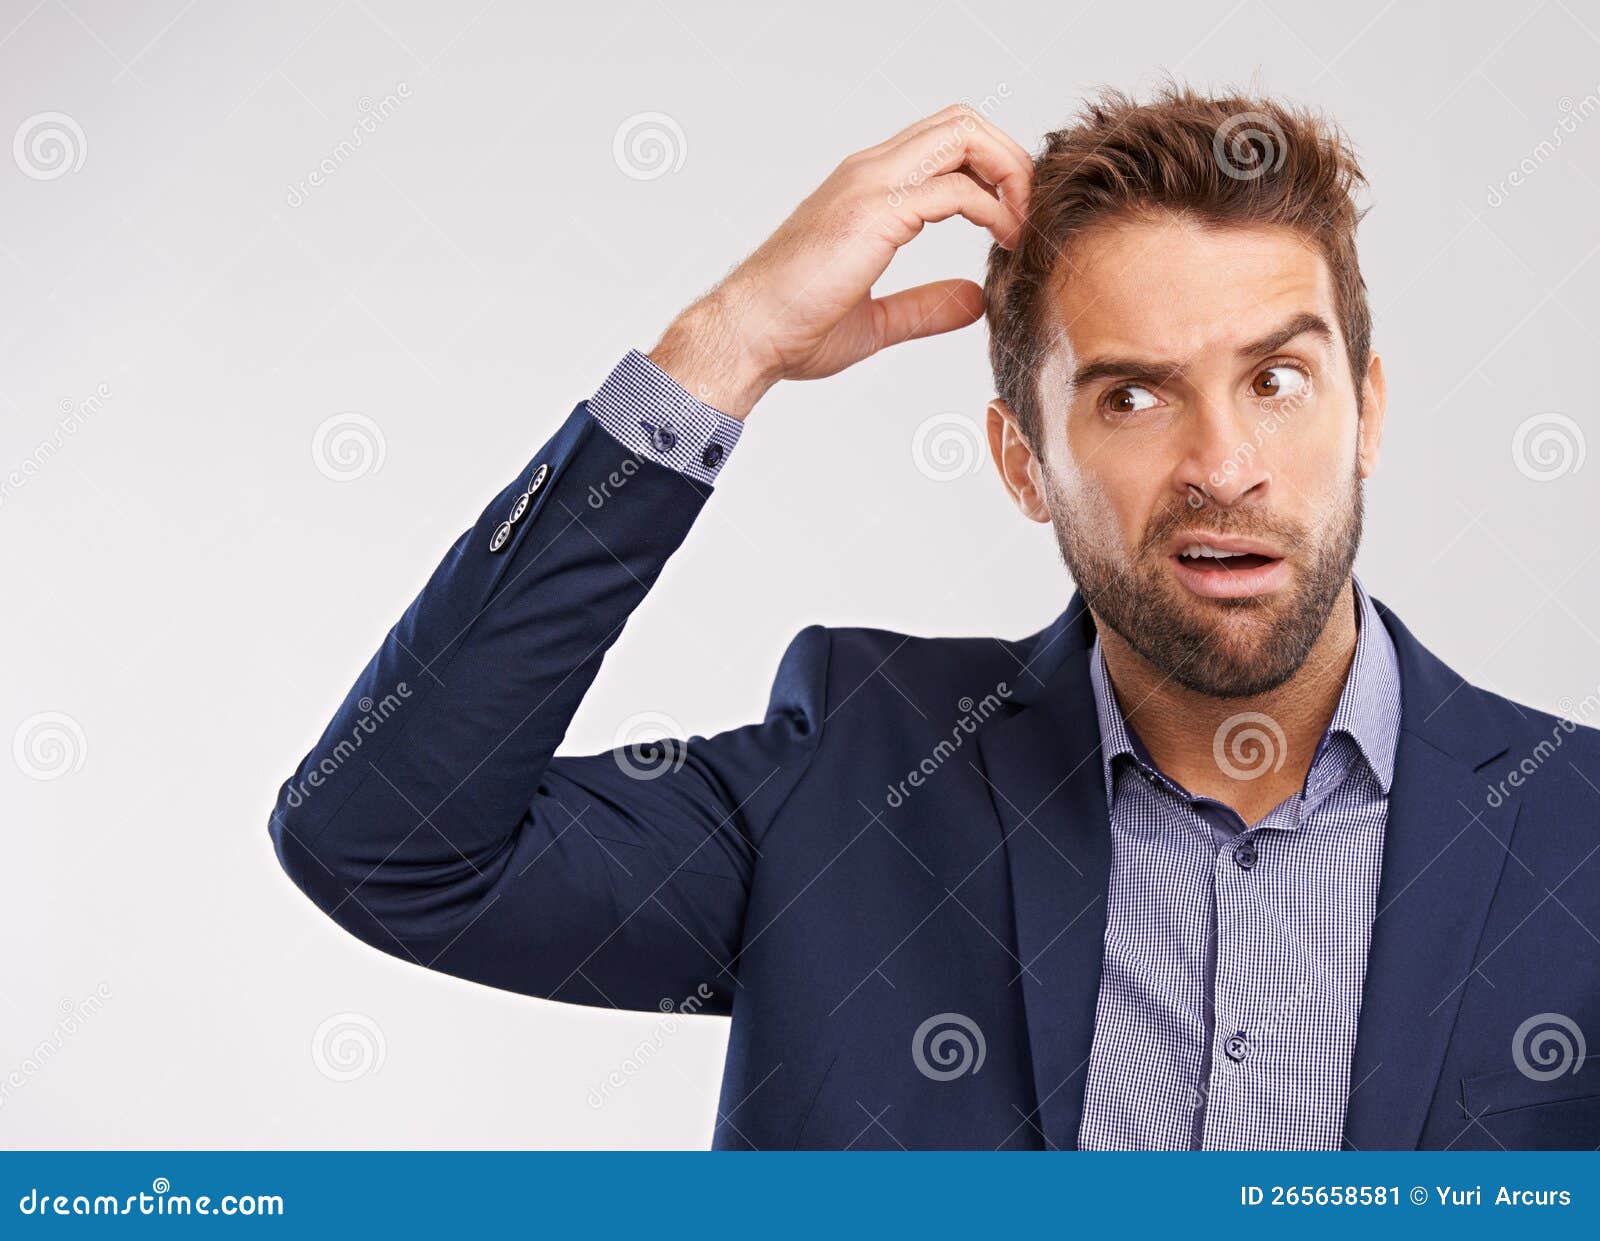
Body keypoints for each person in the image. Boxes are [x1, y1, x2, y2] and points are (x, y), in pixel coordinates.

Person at [269, 84, 1600, 1150]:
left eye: (1278, 379)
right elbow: (387, 842)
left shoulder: (1577, 827)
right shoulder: (857, 775)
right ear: (1023, 459)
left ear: (1367, 409)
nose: (1225, 464)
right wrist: (729, 342)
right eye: (1131, 397)